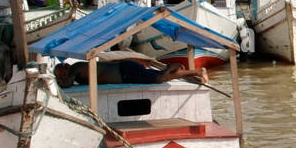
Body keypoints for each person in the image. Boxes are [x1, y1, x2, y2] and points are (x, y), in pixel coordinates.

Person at [54, 59, 203, 88]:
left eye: (61, 73)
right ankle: (196, 72)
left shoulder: (76, 67)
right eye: (59, 75)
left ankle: (172, 66)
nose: (61, 76)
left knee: (160, 78)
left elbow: (66, 84)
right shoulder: (76, 70)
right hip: (125, 73)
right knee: (159, 77)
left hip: (124, 71)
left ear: (66, 66)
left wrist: (58, 82)